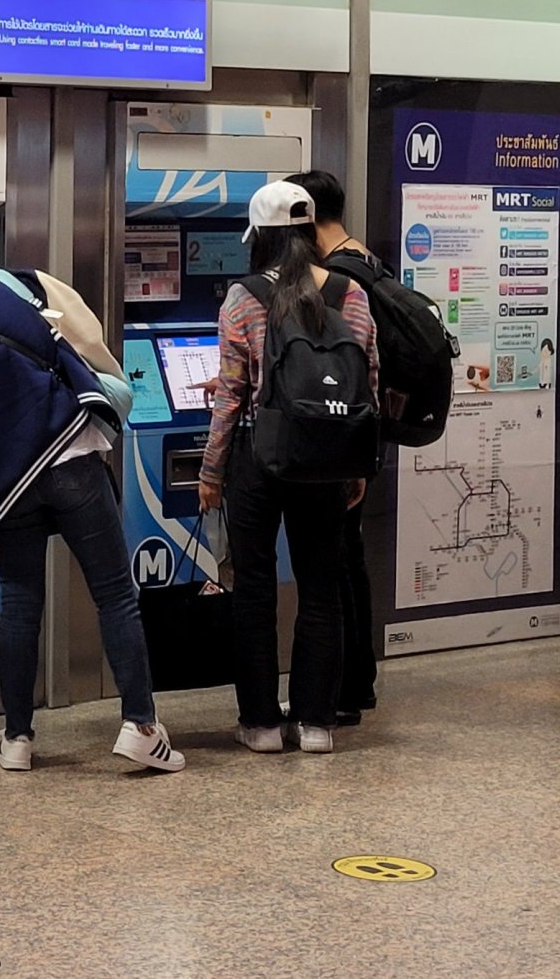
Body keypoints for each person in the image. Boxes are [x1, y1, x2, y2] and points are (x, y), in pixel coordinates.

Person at [0, 216, 182, 774]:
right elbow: (89, 337)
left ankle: (17, 739)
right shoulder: (16, 282)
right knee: (115, 595)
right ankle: (141, 727)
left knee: (21, 605)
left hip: (8, 486)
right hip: (72, 456)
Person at [198, 182, 377, 755]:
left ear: (261, 239)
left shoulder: (244, 296)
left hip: (259, 457)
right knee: (322, 587)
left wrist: (210, 471)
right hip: (327, 458)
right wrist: (358, 466)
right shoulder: (350, 292)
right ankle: (318, 724)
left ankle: (262, 725)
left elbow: (231, 394)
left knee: (253, 588)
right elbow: (366, 382)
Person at [288, 170, 379, 725]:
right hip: (357, 430)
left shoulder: (335, 278)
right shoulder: (367, 261)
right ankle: (355, 685)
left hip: (334, 435)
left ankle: (339, 691)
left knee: (335, 568)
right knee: (349, 562)